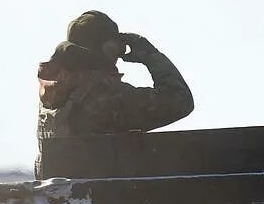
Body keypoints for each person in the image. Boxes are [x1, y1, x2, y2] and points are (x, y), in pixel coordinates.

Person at [37, 10, 194, 146]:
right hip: (103, 180)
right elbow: (179, 100)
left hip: (66, 181)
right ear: (107, 48)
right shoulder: (108, 96)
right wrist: (151, 56)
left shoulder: (53, 96)